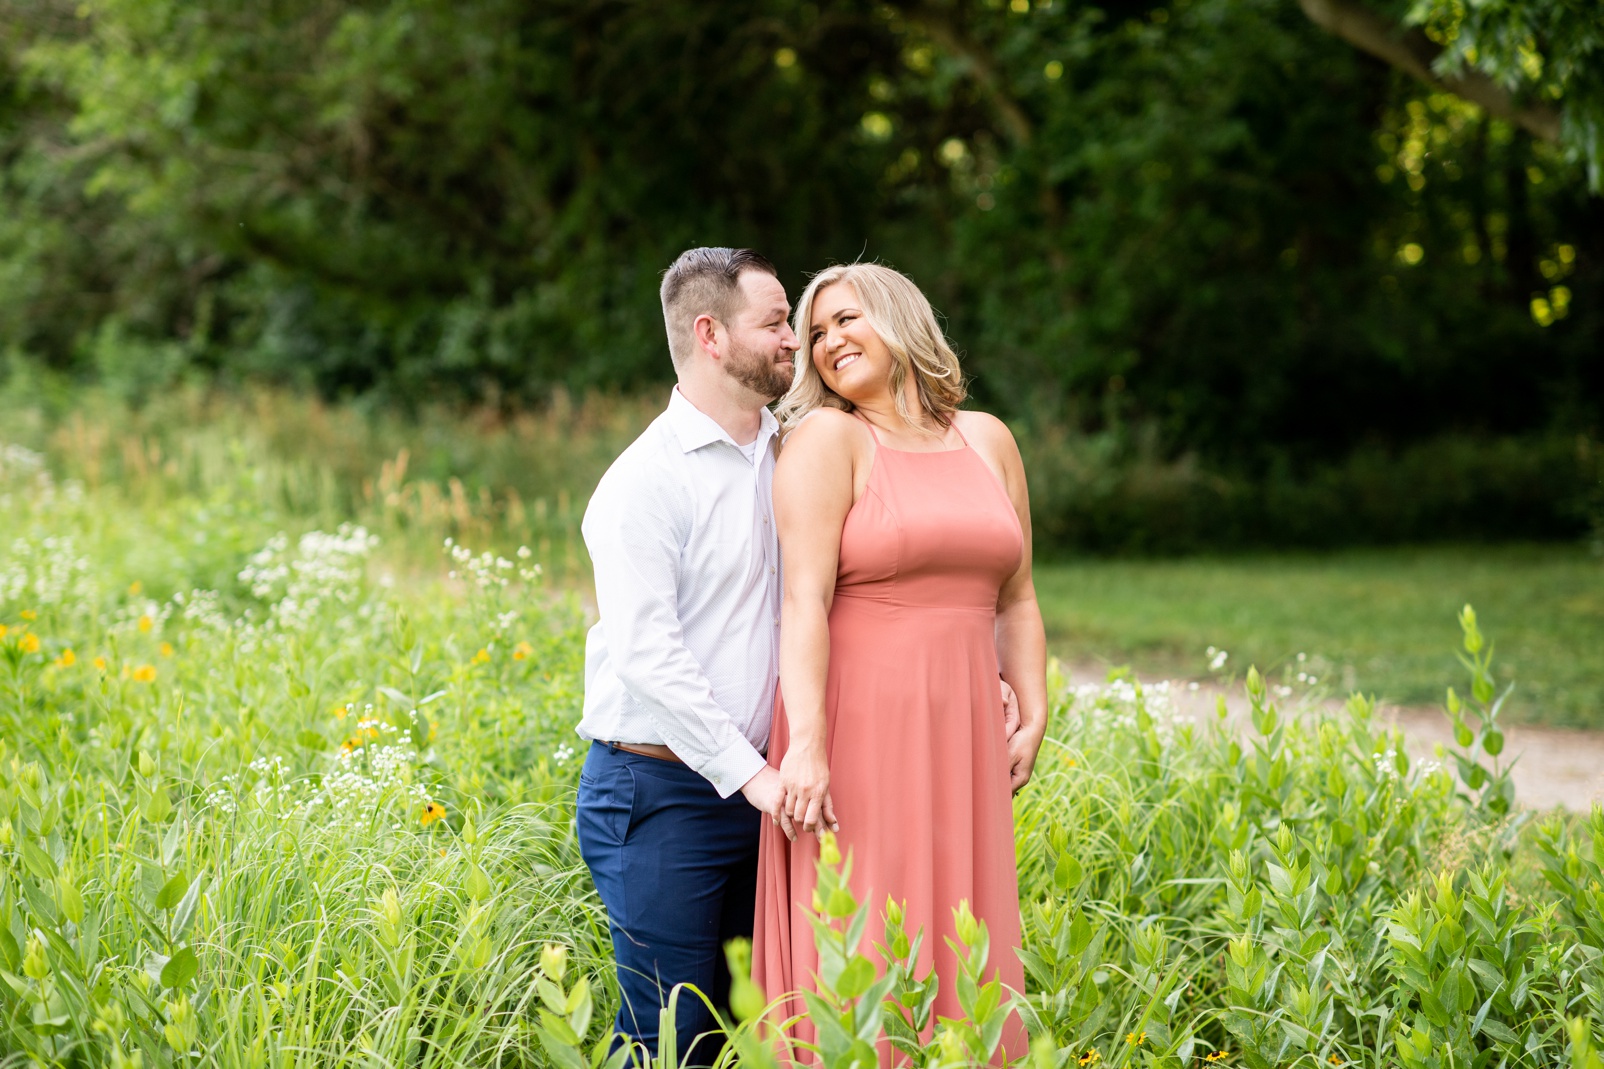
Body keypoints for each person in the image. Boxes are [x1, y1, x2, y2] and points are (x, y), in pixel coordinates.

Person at [752, 262, 1048, 1062]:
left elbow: (1018, 597)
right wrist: (807, 745)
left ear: (900, 319)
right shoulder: (830, 440)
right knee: (869, 936)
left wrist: (1034, 710)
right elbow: (802, 602)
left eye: (846, 319)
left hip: (965, 734)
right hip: (858, 731)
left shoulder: (988, 439)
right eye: (815, 332)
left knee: (963, 929)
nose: (828, 342)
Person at [575, 246, 798, 1064]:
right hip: (662, 793)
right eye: (775, 322)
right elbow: (648, 656)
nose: (795, 338)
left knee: (763, 1028)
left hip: (769, 788)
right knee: (672, 1036)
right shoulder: (643, 482)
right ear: (711, 334)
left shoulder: (796, 453)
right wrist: (752, 774)